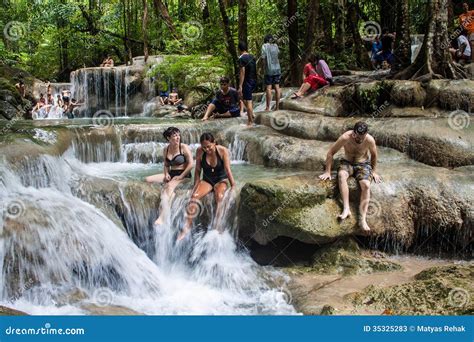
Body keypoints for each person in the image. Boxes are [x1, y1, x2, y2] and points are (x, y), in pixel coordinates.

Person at [319, 122, 382, 232]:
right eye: (357, 137)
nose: (359, 140)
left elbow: (374, 155)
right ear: (354, 133)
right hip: (347, 163)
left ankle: (362, 219)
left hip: (363, 164)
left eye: (361, 138)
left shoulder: (369, 140)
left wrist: (374, 171)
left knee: (366, 185)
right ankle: (346, 209)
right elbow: (330, 153)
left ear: (366, 134)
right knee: (341, 174)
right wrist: (328, 172)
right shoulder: (345, 137)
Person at [178, 133, 235, 241]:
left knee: (219, 196)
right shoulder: (200, 151)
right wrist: (195, 185)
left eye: (209, 146)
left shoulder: (222, 151)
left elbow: (227, 169)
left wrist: (233, 186)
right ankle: (187, 227)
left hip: (220, 180)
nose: (207, 149)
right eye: (204, 147)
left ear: (214, 143)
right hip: (207, 180)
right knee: (194, 196)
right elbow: (198, 170)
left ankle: (217, 226)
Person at [145, 127, 194, 226]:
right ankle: (171, 195)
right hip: (171, 174)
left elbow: (191, 164)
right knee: (148, 180)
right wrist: (166, 173)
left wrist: (181, 176)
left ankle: (162, 217)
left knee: (169, 186)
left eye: (178, 135)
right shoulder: (166, 149)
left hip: (184, 175)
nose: (178, 137)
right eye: (175, 136)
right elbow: (166, 165)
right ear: (168, 138)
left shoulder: (183, 147)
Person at [238, 41, 257, 126]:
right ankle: (252, 114)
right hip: (253, 80)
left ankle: (250, 122)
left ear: (239, 49)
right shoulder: (252, 56)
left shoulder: (241, 58)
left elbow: (242, 72)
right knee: (244, 98)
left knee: (248, 101)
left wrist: (240, 85)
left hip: (247, 81)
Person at [261, 34, 282, 111]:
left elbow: (263, 58)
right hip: (277, 68)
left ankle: (267, 107)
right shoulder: (276, 46)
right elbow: (278, 55)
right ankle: (277, 107)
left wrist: (264, 68)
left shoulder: (264, 46)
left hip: (269, 69)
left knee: (269, 88)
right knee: (277, 87)